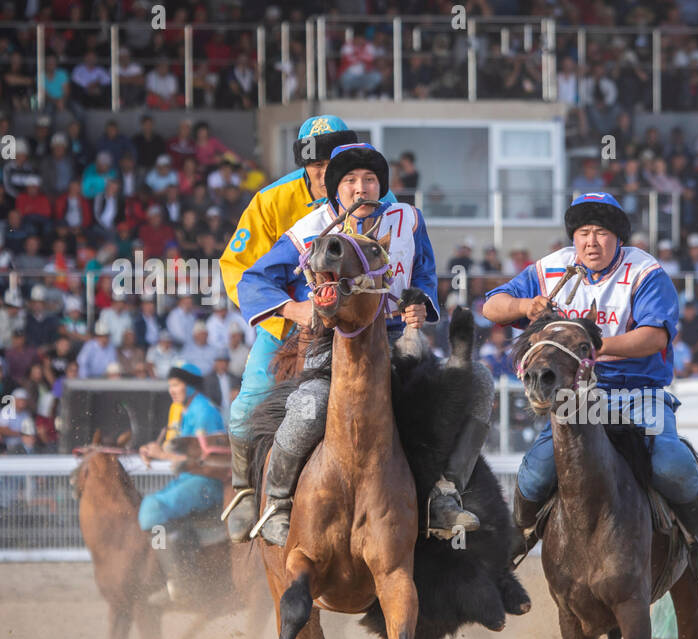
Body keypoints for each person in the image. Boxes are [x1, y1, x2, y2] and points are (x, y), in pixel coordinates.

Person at [236, 141, 491, 546]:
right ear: (336, 189)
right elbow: (253, 280)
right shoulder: (309, 230)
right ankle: (277, 504)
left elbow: (423, 273)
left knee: (476, 382)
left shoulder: (409, 220)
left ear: (380, 186)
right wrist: (296, 310)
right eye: (350, 181)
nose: (361, 188)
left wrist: (420, 303)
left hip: (397, 341)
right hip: (333, 342)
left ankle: (444, 494)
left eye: (370, 180)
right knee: (309, 408)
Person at [482, 192, 698, 592]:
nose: (591, 242)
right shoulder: (551, 269)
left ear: (618, 238)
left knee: (673, 464)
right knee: (533, 474)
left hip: (638, 394)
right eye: (583, 233)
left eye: (601, 233)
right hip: (574, 399)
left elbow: (652, 338)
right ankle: (518, 537)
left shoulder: (645, 272)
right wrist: (525, 305)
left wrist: (591, 347)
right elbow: (491, 307)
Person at [217, 115, 362, 541]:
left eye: (330, 164)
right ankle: (245, 489)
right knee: (246, 408)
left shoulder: (369, 196)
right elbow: (237, 269)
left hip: (357, 323)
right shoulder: (269, 200)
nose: (323, 174)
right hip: (287, 324)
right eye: (314, 167)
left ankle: (438, 493)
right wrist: (287, 314)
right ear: (304, 166)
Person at [136, 363, 225, 599]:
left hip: (206, 483)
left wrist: (161, 454)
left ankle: (179, 582)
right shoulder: (190, 410)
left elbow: (206, 460)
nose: (171, 390)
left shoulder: (203, 412)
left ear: (190, 385)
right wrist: (154, 451)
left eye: (176, 385)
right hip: (192, 479)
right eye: (170, 385)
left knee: (152, 507)